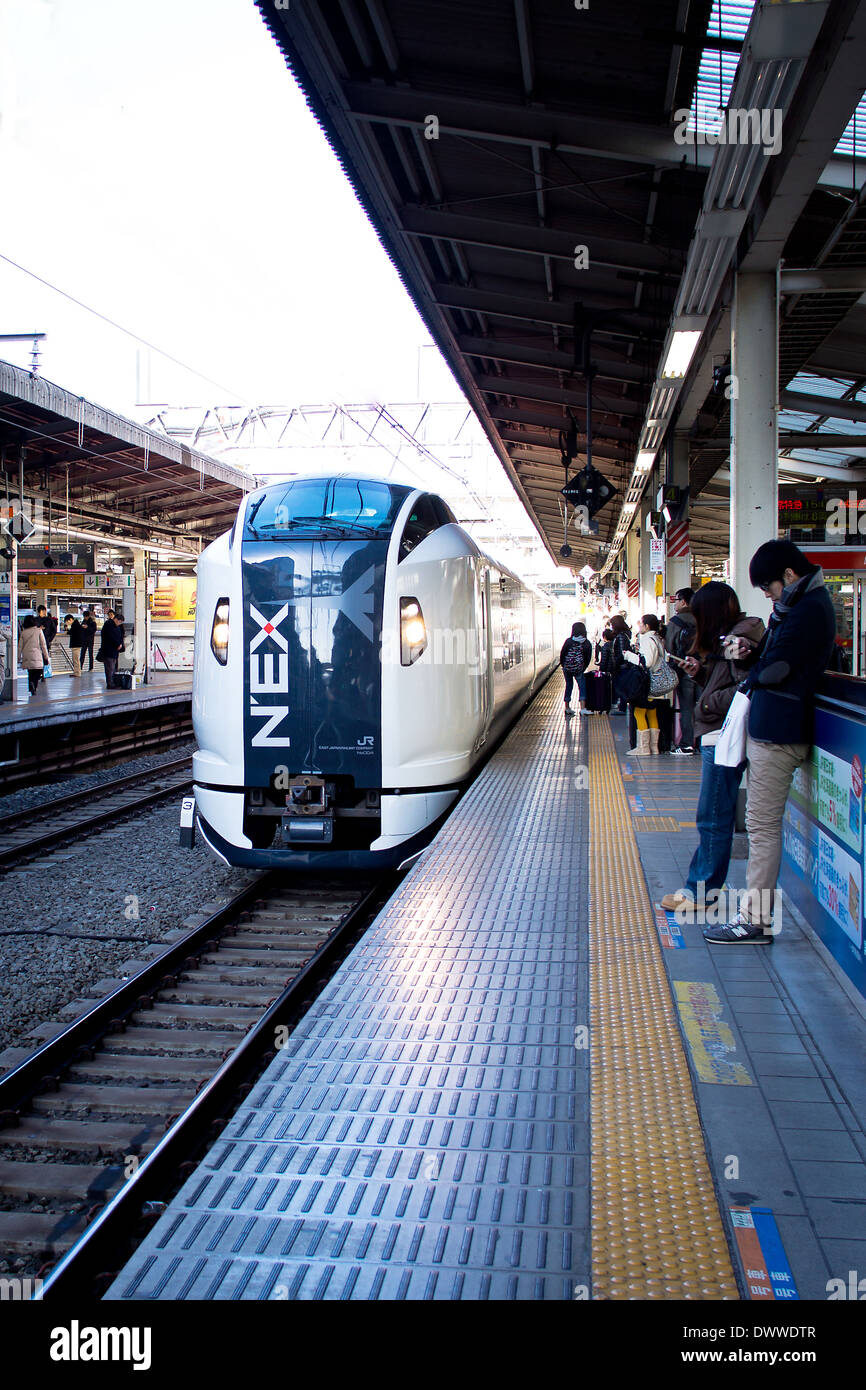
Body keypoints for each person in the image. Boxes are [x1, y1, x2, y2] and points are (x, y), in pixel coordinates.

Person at [703, 540, 835, 945]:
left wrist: (752, 672)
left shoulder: (809, 610)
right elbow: (774, 661)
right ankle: (754, 916)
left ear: (790, 577)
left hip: (779, 732)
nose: (766, 595)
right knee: (763, 826)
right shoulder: (798, 607)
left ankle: (754, 920)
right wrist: (752, 659)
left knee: (760, 827)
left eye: (769, 586)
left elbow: (778, 668)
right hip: (777, 727)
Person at [660, 584, 765, 915]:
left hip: (725, 734)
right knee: (712, 815)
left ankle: (701, 892)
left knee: (713, 816)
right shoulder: (732, 637)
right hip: (721, 733)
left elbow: (745, 688)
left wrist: (706, 704)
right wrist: (701, 673)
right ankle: (700, 887)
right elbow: (728, 682)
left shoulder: (739, 640)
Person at [630, 614, 667, 755]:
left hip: (647, 683)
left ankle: (643, 748)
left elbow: (648, 662)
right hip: (655, 683)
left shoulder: (647, 639)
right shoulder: (657, 638)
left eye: (641, 624)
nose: (639, 626)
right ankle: (654, 748)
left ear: (647, 626)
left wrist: (629, 656)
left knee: (639, 712)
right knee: (652, 713)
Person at [666, 588, 697, 755]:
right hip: (702, 669)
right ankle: (703, 741)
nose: (675, 603)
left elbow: (669, 647)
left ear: (683, 602)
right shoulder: (702, 618)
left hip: (683, 669)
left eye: (676, 600)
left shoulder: (676, 621)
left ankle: (686, 744)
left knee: (686, 708)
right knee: (703, 705)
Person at [560, 621, 592, 716]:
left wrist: (564, 665)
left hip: (567, 668)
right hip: (579, 669)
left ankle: (567, 707)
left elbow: (562, 654)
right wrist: (582, 668)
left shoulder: (569, 641)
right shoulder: (586, 643)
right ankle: (582, 708)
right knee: (582, 686)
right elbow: (588, 658)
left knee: (569, 686)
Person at [19, 614, 50, 696]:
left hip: (27, 655)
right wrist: (46, 656)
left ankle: (31, 686)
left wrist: (18, 658)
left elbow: (19, 647)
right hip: (37, 655)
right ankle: (34, 686)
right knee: (38, 671)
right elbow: (43, 645)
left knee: (30, 672)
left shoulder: (23, 633)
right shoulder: (39, 631)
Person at [608, 614, 632, 715]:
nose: (611, 627)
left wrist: (616, 664)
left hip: (622, 667)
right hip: (622, 666)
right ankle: (621, 707)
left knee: (621, 686)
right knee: (621, 686)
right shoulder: (622, 635)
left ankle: (622, 708)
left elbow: (622, 653)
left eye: (612, 624)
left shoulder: (621, 636)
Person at [98, 609, 125, 690]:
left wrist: (120, 644)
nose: (119, 624)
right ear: (116, 619)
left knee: (113, 667)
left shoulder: (116, 626)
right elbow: (110, 637)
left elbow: (120, 635)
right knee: (110, 668)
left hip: (114, 650)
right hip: (108, 650)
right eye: (119, 622)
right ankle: (110, 684)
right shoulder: (108, 625)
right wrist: (117, 644)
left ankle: (113, 682)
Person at [66, 612, 84, 678]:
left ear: (71, 619)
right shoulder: (76, 624)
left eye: (67, 621)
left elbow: (71, 632)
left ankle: (77, 673)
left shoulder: (75, 625)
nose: (67, 623)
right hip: (77, 644)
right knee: (75, 659)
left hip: (76, 645)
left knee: (76, 659)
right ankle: (76, 672)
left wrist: (68, 631)